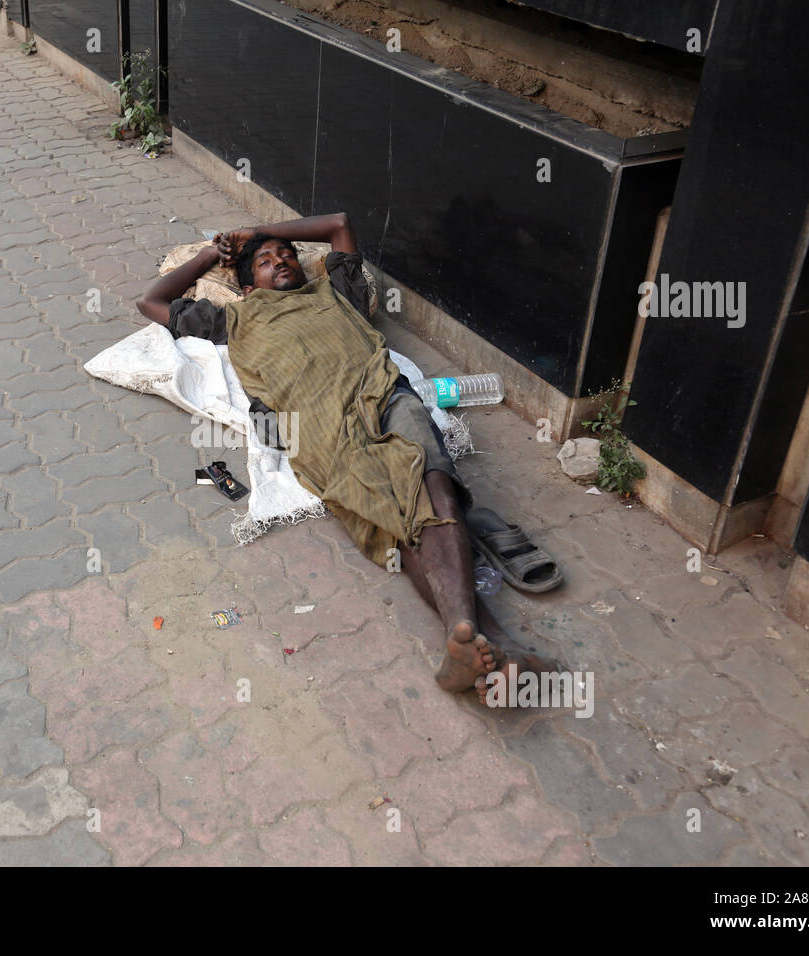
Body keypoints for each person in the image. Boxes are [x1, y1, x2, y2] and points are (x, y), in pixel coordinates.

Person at [136, 212, 523, 693]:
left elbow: (338, 224)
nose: (280, 261)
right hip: (315, 421)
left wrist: (253, 232)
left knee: (431, 476)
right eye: (264, 261)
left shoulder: (336, 291)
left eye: (287, 255)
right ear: (248, 287)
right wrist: (213, 253)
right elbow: (150, 301)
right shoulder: (231, 317)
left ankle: (471, 641)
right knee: (392, 508)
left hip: (382, 392)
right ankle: (491, 642)